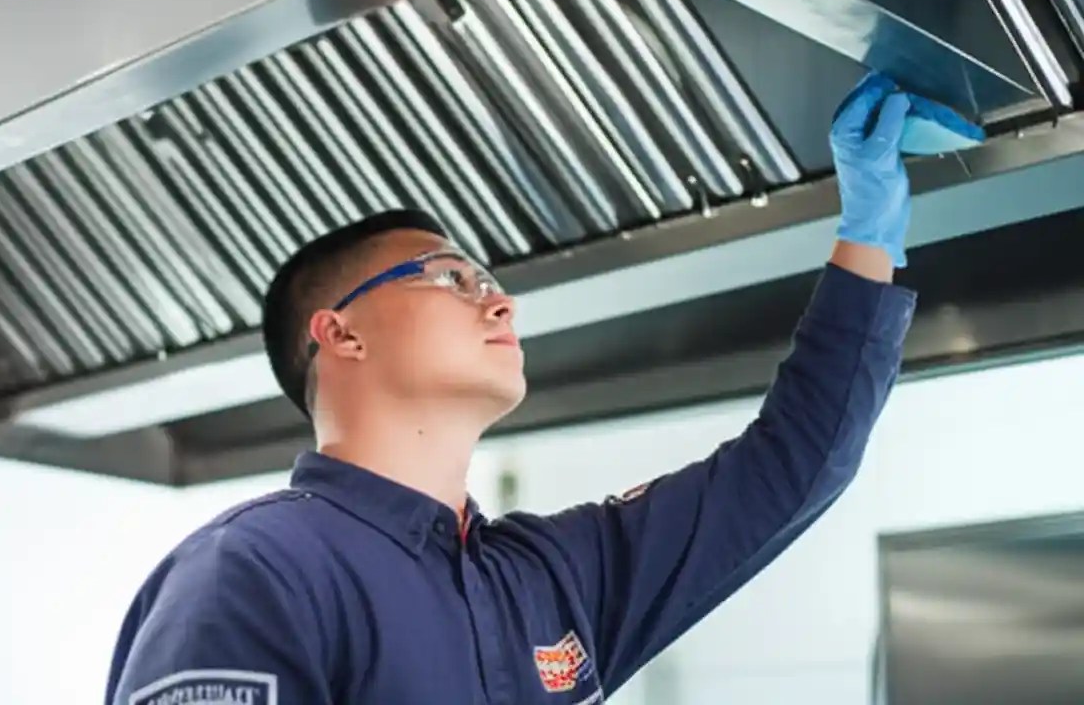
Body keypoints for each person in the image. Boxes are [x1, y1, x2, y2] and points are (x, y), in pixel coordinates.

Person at [105, 72, 919, 705]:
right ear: (340, 332)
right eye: (450, 277)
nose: (499, 300)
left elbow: (789, 470)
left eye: (489, 280)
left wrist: (867, 235)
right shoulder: (253, 570)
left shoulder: (549, 575)